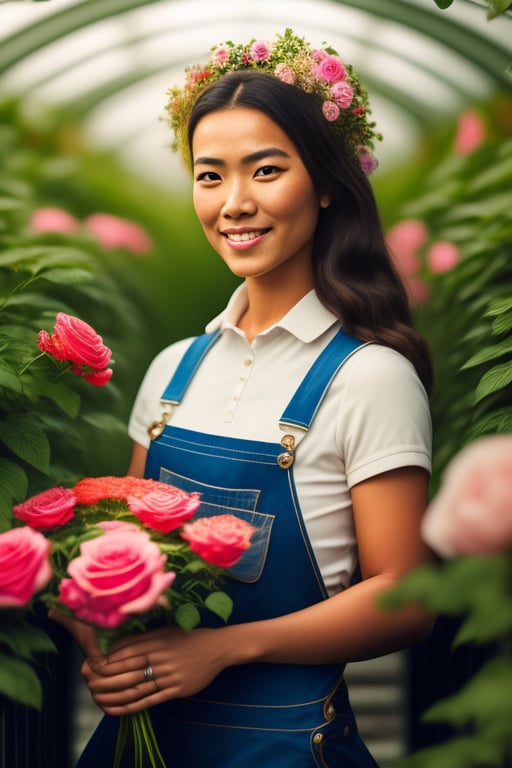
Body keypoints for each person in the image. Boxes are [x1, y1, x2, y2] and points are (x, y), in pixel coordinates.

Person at [60, 29, 434, 767]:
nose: (234, 204)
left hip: (282, 746)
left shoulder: (370, 375)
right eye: (210, 176)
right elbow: (123, 553)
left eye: (266, 171)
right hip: (143, 741)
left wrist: (223, 648)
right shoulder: (174, 369)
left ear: (325, 183)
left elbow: (407, 599)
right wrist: (97, 637)